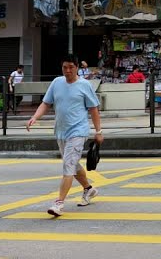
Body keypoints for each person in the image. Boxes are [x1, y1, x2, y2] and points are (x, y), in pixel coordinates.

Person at [25, 55, 104, 217]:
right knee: (73, 165)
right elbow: (46, 103)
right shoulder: (56, 83)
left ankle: (59, 203)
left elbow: (94, 109)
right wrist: (35, 117)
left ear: (77, 68)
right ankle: (89, 190)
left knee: (68, 165)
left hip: (78, 131)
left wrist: (98, 131)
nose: (68, 71)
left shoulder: (84, 85)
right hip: (61, 131)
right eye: (64, 68)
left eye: (71, 67)